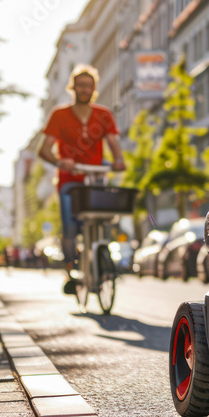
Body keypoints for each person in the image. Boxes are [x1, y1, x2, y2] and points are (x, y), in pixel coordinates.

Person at [38, 64, 125, 285]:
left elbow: (113, 143)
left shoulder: (103, 115)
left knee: (104, 217)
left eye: (89, 86)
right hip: (69, 182)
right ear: (73, 87)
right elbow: (44, 150)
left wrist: (118, 160)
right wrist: (60, 162)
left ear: (94, 88)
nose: (85, 89)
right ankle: (70, 269)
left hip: (94, 179)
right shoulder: (59, 115)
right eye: (80, 85)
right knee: (69, 227)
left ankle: (100, 256)